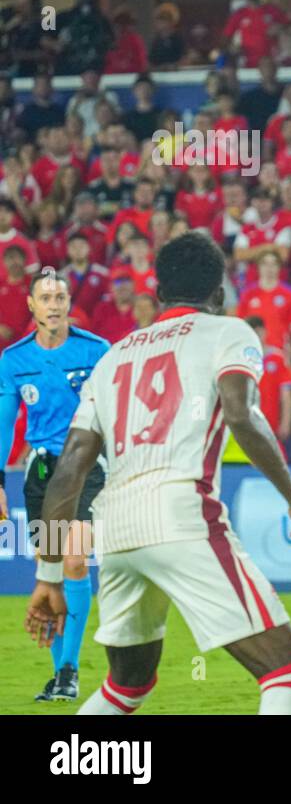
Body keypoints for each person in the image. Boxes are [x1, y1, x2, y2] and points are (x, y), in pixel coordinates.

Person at [22, 231, 291, 714]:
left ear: (158, 294)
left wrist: (49, 574)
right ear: (219, 294)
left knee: (127, 686)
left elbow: (70, 468)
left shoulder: (112, 357)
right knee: (285, 671)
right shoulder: (229, 331)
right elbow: (242, 416)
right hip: (182, 513)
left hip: (116, 527)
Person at [0, 271, 109, 701]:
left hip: (87, 467)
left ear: (69, 302)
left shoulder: (97, 351)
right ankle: (60, 674)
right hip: (40, 475)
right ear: (31, 305)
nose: (54, 303)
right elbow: (6, 423)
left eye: (60, 296)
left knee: (75, 557)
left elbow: (116, 415)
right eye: (45, 297)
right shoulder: (13, 360)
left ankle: (69, 669)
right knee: (52, 572)